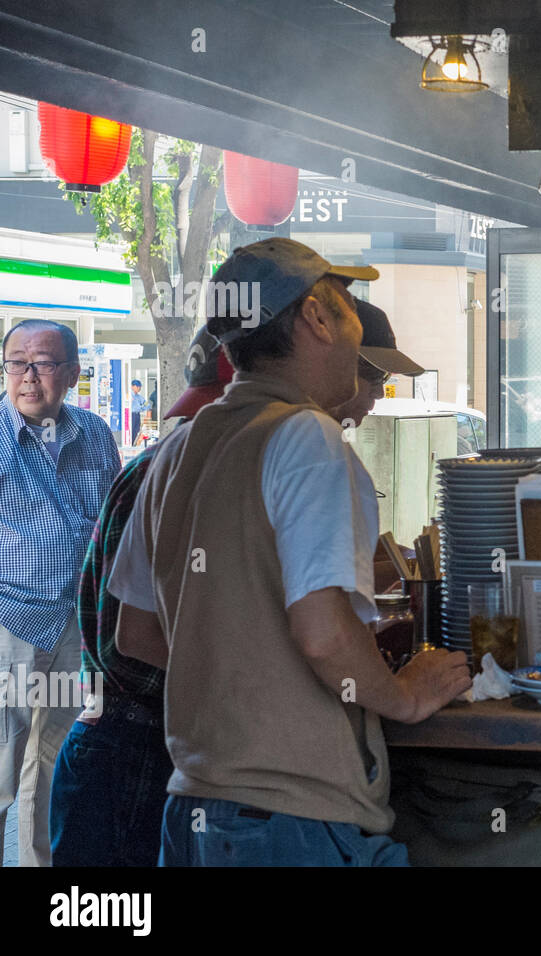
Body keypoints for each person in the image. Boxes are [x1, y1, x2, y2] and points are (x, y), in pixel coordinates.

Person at [108, 238, 471, 866]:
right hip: (291, 822)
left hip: (193, 814)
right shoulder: (308, 437)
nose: (359, 329)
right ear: (317, 318)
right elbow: (324, 634)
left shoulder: (175, 452)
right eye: (350, 304)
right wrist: (403, 694)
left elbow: (137, 634)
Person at [48, 328, 234, 867]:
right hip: (129, 744)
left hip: (132, 742)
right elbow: (133, 641)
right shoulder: (173, 472)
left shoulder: (178, 468)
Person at [0, 319, 120, 866]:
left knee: (52, 761)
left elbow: (112, 524)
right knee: (4, 762)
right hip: (10, 621)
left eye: (43, 363)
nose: (28, 376)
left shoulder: (94, 433)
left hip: (76, 620)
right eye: (16, 362)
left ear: (73, 373)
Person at [332, 300, 424, 430]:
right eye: (374, 376)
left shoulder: (320, 436)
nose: (380, 394)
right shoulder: (307, 436)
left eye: (384, 377)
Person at [129, 379, 147, 445]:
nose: (139, 389)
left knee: (136, 430)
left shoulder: (139, 397)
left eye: (140, 387)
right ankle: (129, 443)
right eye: (138, 387)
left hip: (137, 415)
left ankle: (132, 444)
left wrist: (142, 408)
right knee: (131, 429)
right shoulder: (130, 395)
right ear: (133, 386)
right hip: (131, 415)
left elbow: (146, 404)